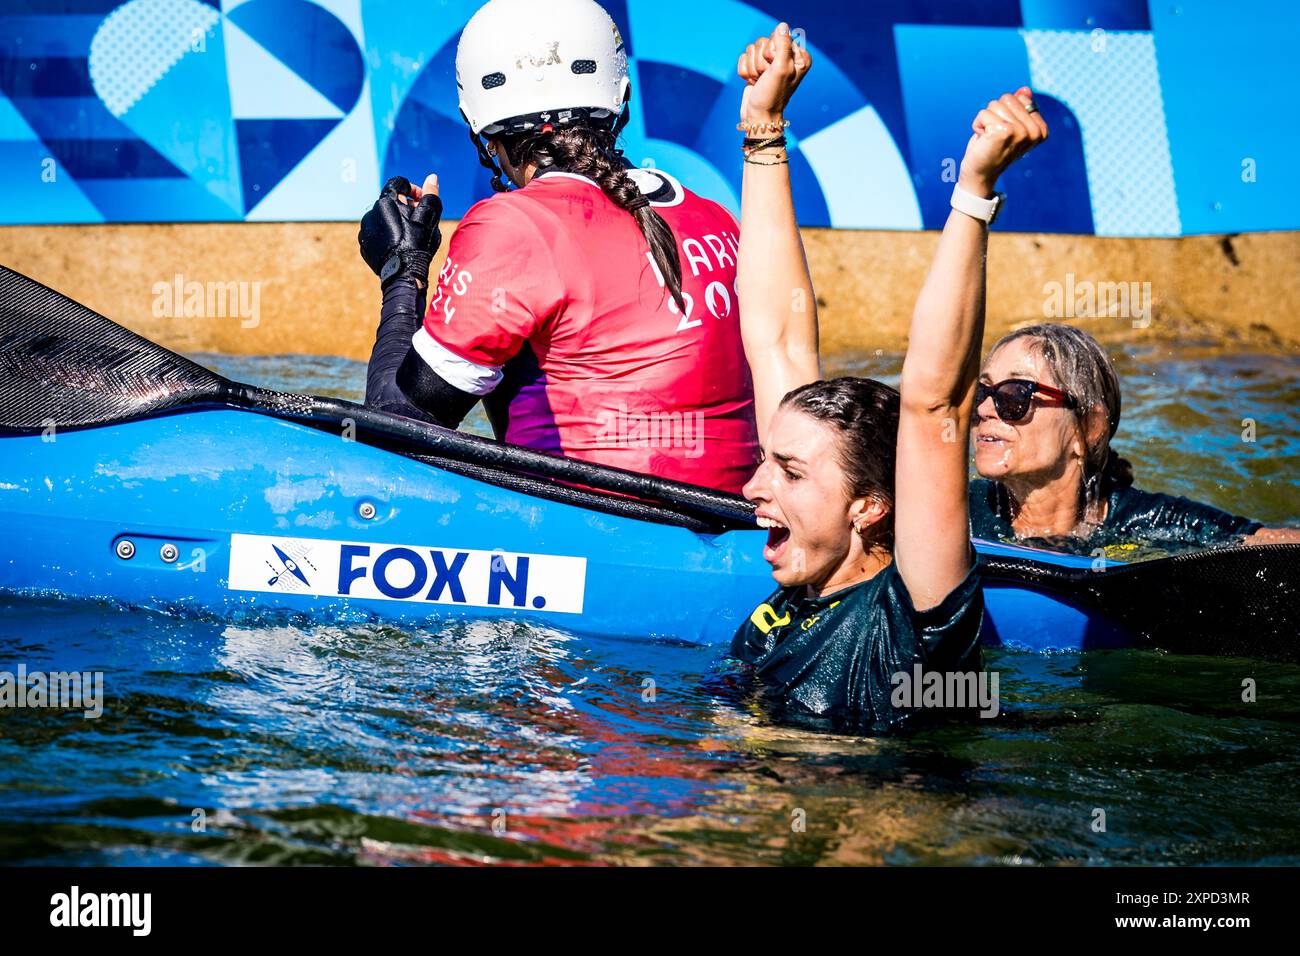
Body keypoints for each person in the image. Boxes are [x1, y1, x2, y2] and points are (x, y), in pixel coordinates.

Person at [726, 24, 1048, 732]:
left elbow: (937, 407)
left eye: (789, 472)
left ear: (869, 506)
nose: (753, 487)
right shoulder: (786, 610)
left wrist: (973, 193)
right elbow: (776, 334)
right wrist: (763, 130)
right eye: (765, 464)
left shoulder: (911, 624)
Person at [357, 0, 758, 493]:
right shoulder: (716, 217)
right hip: (737, 527)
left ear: (479, 125)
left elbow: (396, 431)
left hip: (586, 531)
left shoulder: (514, 224)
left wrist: (405, 269)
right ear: (621, 101)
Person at [971, 323, 1300, 553]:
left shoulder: (1146, 522)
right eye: (981, 391)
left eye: (1015, 394)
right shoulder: (959, 510)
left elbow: (1268, 543)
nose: (985, 408)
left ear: (1087, 428)